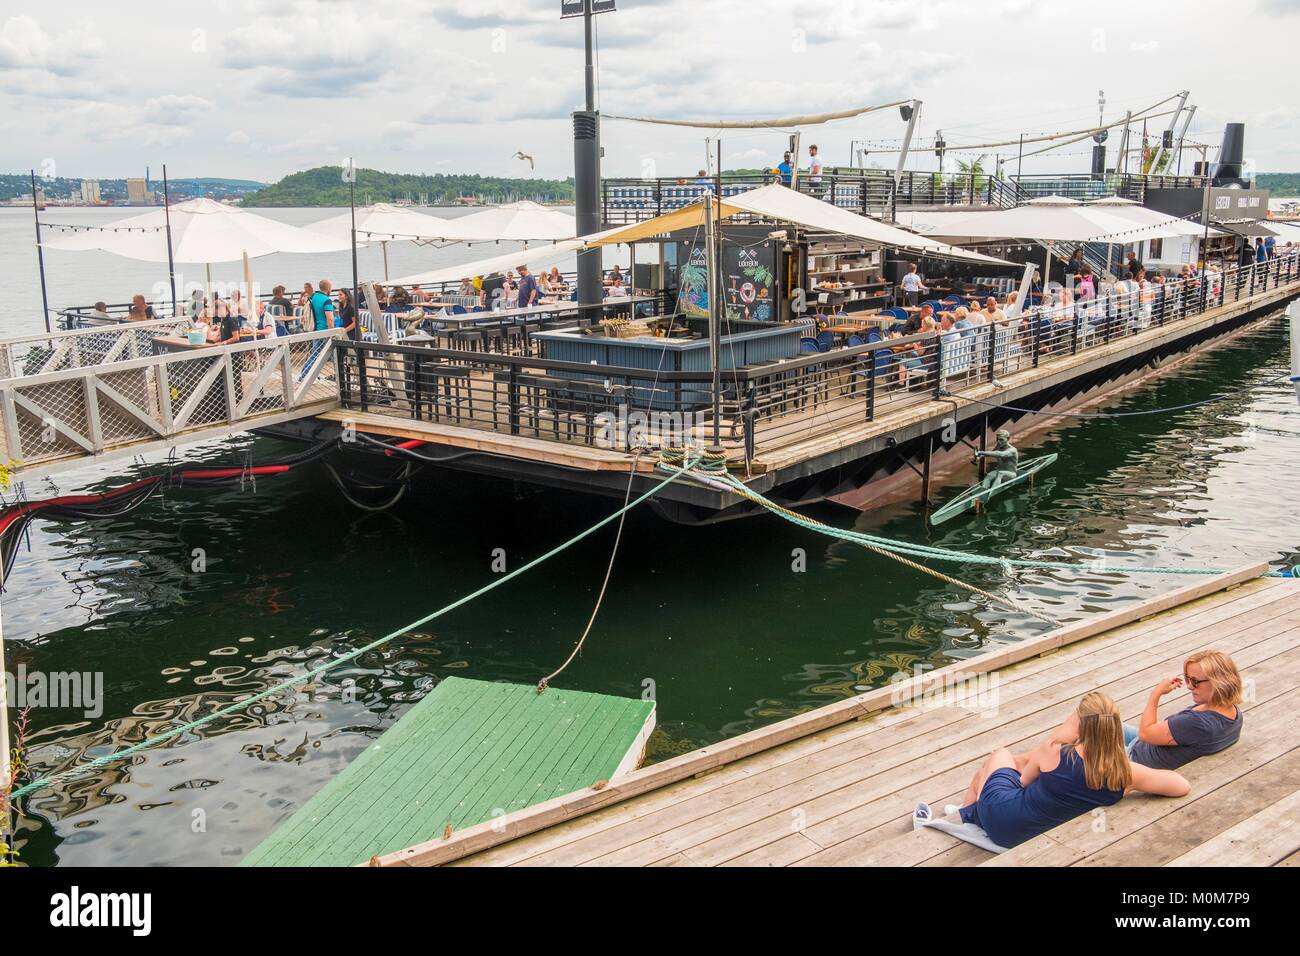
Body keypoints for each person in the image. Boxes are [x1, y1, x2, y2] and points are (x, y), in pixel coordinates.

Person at [958, 692, 1190, 850]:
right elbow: (1181, 786)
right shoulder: (1125, 773)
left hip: (1003, 821)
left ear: (1080, 723)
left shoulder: (1055, 752)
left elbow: (1023, 782)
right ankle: (971, 812)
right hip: (1027, 834)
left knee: (999, 755)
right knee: (991, 774)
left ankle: (968, 815)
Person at [1125, 650, 1243, 771]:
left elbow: (1145, 734)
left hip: (1135, 759)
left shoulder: (1198, 723)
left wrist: (1155, 694)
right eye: (1188, 679)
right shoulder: (1234, 713)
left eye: (1195, 681)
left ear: (1219, 682)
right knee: (1105, 719)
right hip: (1146, 746)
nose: (1189, 686)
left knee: (1105, 725)